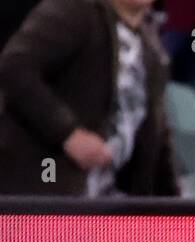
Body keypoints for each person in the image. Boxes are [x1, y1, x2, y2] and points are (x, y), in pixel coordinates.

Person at [0, 0, 177, 197]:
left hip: (108, 206)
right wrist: (68, 134)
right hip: (42, 198)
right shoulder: (75, 10)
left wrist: (182, 215)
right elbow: (14, 67)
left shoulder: (152, 49)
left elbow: (157, 141)